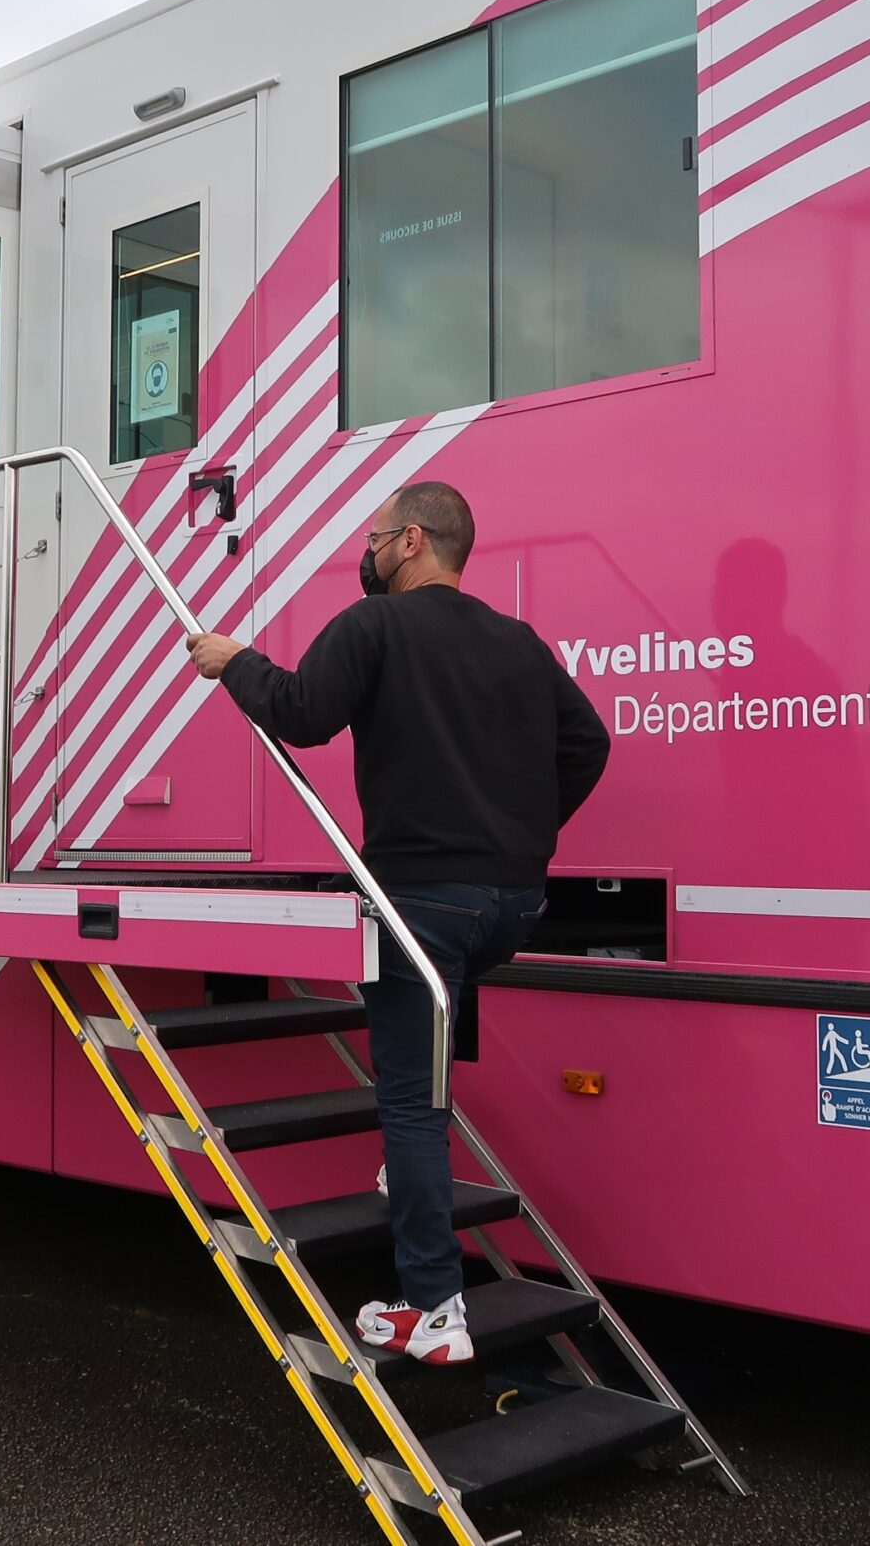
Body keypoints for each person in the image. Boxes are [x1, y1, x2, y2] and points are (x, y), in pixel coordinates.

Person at [185, 480, 609, 1366]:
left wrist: (235, 662)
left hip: (423, 903)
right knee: (426, 1073)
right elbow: (588, 745)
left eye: (376, 537)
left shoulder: (374, 625)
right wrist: (525, 834)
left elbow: (303, 713)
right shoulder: (518, 641)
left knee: (411, 1104)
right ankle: (411, 1175)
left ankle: (434, 1310)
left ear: (411, 540)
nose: (368, 553)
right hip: (511, 905)